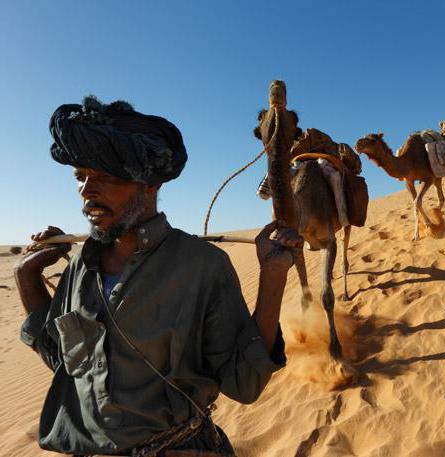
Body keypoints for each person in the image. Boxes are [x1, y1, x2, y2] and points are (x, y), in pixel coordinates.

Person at [13, 96, 301, 456]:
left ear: (149, 184)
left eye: (104, 176)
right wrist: (28, 279)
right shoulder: (79, 268)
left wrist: (273, 278)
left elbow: (245, 384)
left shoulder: (202, 266)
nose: (87, 191)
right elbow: (64, 367)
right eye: (81, 177)